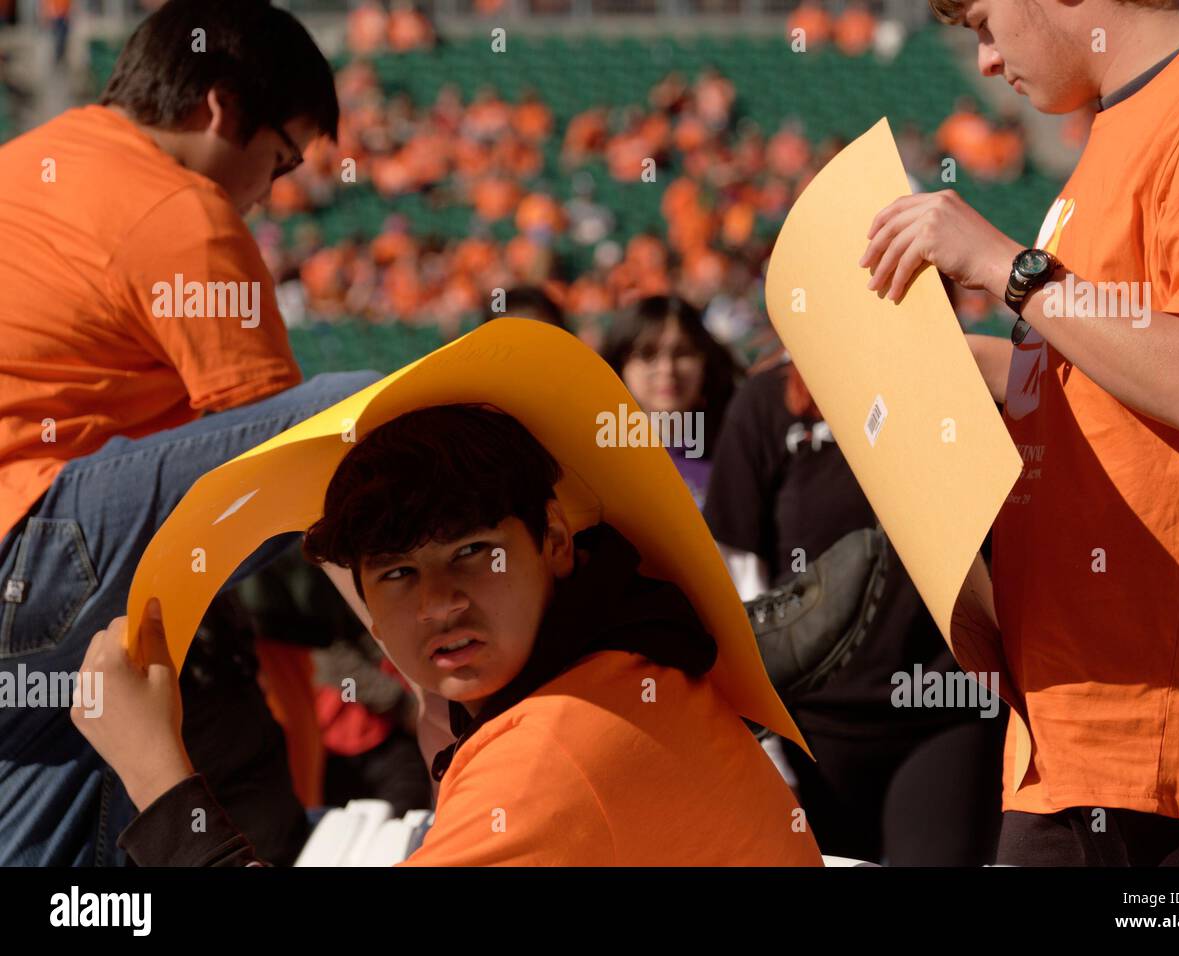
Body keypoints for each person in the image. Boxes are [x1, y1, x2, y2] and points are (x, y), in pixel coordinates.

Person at [862, 0, 1179, 864]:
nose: (986, 61)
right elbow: (1104, 372)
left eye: (984, 23)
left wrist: (1005, 267)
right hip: (1080, 730)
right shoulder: (1121, 123)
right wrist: (925, 367)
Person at [72, 403, 826, 867]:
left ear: (556, 541)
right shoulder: (619, 665)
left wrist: (156, 776)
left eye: (473, 553)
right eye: (397, 573)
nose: (438, 606)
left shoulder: (552, 750)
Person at [0, 0, 382, 865]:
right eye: (277, 162)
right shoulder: (183, 207)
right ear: (218, 109)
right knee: (359, 409)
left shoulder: (26, 162)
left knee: (62, 802)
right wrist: (427, 670)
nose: (265, 196)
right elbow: (310, 474)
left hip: (28, 621)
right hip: (31, 544)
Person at [705, 358, 1004, 864]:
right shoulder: (766, 403)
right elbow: (739, 585)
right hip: (810, 734)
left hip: (943, 716)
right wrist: (767, 746)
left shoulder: (972, 383)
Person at [600, 296, 740, 508]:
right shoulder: (598, 464)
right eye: (647, 354)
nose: (667, 369)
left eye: (682, 353)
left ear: (705, 361)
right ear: (620, 366)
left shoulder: (737, 454)